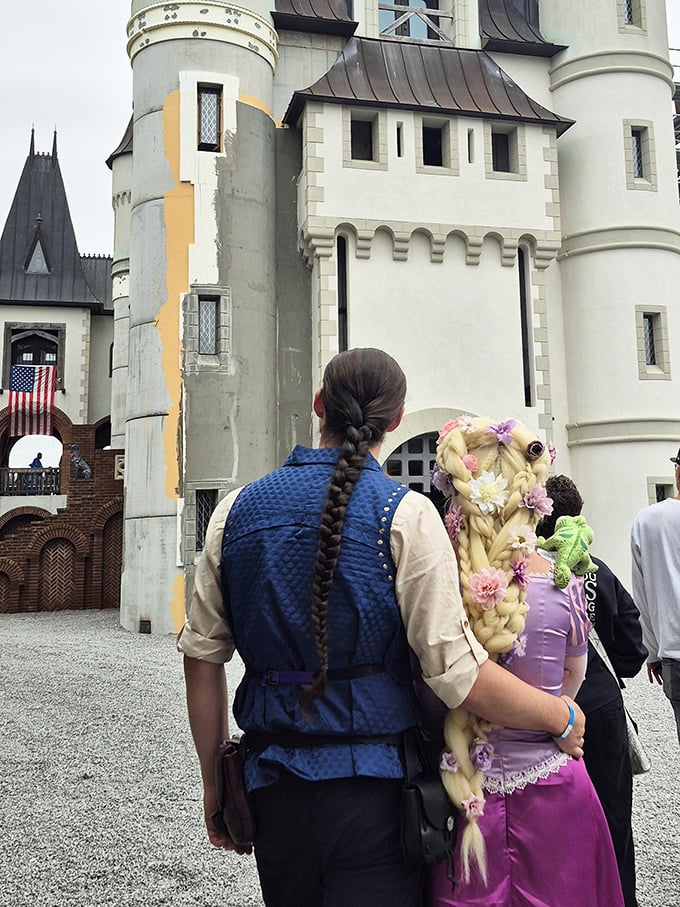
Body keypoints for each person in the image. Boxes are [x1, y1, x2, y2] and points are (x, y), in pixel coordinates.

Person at [178, 349, 585, 907]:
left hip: (271, 784)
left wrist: (213, 783)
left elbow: (202, 658)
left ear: (318, 405)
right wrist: (558, 713)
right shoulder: (405, 514)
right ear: (395, 422)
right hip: (374, 791)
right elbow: (456, 674)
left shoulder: (233, 511)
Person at [427, 418, 624, 907]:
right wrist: (558, 717)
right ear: (531, 493)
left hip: (465, 791)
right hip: (554, 782)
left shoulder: (441, 583)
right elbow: (572, 678)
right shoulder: (561, 584)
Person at [539, 475, 646, 907]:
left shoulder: (529, 574)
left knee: (556, 828)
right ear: (579, 516)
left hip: (543, 710)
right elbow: (632, 647)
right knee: (614, 819)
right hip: (600, 706)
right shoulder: (597, 571)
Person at [631, 449, 680, 747]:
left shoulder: (648, 521)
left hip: (674, 649)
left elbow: (643, 593)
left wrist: (651, 651)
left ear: (677, 474)